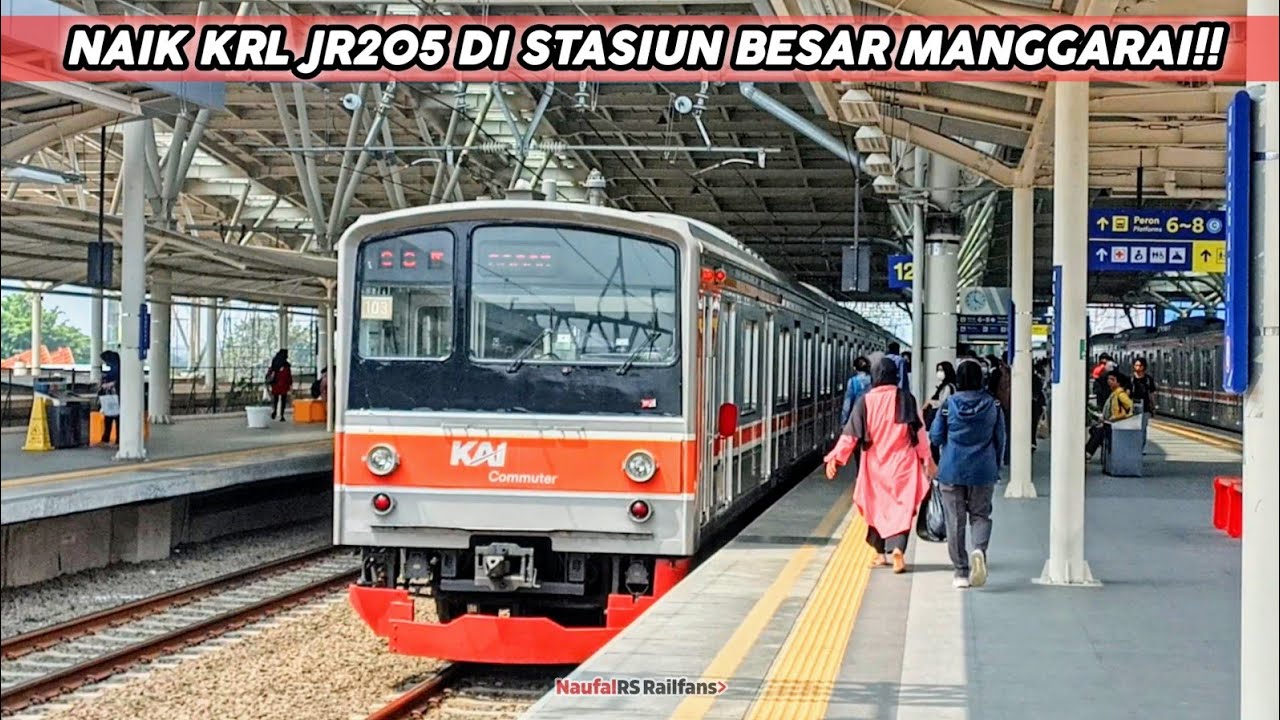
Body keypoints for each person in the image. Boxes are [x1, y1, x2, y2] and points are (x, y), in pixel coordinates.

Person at [824, 357, 934, 574]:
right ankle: (898, 551)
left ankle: (879, 554)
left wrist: (835, 458)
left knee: (876, 508)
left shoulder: (865, 401)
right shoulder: (906, 399)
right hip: (903, 464)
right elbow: (920, 434)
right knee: (902, 510)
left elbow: (850, 435)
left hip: (875, 464)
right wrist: (927, 459)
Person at [929, 360, 1005, 589]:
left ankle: (961, 572)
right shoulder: (993, 405)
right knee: (980, 515)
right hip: (983, 469)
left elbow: (935, 437)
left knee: (955, 520)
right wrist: (996, 466)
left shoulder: (948, 404)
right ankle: (979, 550)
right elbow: (1000, 439)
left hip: (952, 469)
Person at [1085, 371, 1134, 459]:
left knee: (1100, 432)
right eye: (1108, 379)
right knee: (1095, 430)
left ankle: (1088, 452)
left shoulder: (1121, 394)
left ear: (1118, 383)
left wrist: (1117, 418)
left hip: (1117, 424)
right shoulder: (1114, 393)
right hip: (1112, 423)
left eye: (1112, 379)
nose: (1109, 381)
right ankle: (1089, 451)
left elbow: (1130, 408)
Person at [923, 361, 958, 463]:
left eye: (941, 370)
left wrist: (929, 402)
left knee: (935, 442)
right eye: (938, 370)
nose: (939, 373)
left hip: (942, 418)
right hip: (943, 418)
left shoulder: (948, 386)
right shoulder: (946, 385)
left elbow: (943, 403)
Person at [1129, 357, 1157, 451]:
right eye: (1136, 365)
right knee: (1133, 428)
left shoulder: (1148, 379)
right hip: (1132, 407)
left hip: (1145, 407)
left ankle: (1141, 448)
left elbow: (1152, 394)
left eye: (1140, 365)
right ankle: (1134, 446)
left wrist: (1153, 406)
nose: (1138, 367)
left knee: (1143, 428)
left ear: (1144, 367)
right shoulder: (1130, 379)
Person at [840, 356, 872, 427]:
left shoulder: (853, 381)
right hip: (871, 417)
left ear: (855, 368)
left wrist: (844, 421)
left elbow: (847, 403)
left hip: (857, 417)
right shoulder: (873, 380)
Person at [98, 350, 121, 446]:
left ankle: (106, 438)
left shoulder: (115, 370)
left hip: (113, 397)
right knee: (116, 418)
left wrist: (107, 385)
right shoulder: (119, 368)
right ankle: (117, 439)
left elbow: (116, 381)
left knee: (110, 417)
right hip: (116, 397)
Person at [266, 349, 293, 422]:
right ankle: (282, 415)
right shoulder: (286, 365)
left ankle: (274, 411)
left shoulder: (274, 362)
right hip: (284, 384)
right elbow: (289, 376)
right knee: (283, 400)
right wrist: (290, 384)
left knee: (276, 399)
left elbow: (270, 372)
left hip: (275, 383)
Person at [1031, 358, 1049, 451]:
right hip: (1036, 403)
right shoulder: (1036, 378)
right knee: (1034, 423)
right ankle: (1033, 441)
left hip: (1032, 403)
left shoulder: (1021, 378)